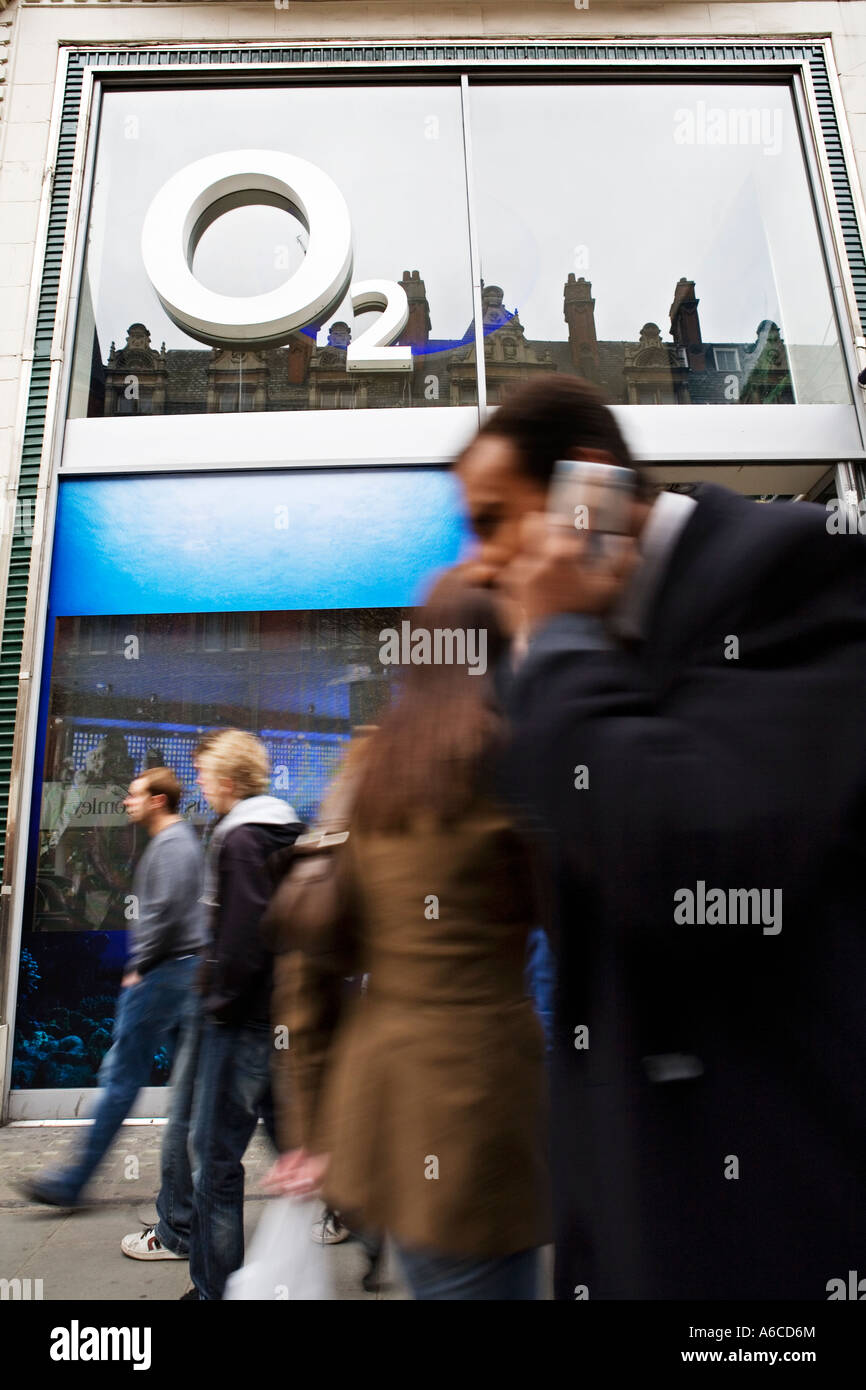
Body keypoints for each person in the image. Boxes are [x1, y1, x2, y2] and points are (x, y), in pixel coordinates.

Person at [457, 372, 866, 1299]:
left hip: (784, 1228)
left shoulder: (795, 569)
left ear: (585, 492)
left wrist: (554, 645)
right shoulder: (580, 656)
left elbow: (706, 865)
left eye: (493, 521)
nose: (481, 562)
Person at [264, 573, 551, 1300]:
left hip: (384, 1106)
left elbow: (309, 964)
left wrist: (306, 1120)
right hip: (480, 1106)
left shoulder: (371, 774)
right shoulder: (515, 767)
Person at [23, 766, 207, 1208]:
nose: (126, 801)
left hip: (162, 975)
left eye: (134, 794)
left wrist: (139, 967)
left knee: (121, 1079)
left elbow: (166, 914)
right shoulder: (181, 842)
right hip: (182, 972)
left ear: (158, 800)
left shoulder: (171, 846)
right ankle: (185, 1201)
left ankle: (73, 1181)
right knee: (189, 1092)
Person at [183, 729, 302, 1300]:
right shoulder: (284, 828)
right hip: (280, 1015)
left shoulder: (240, 838)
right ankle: (371, 1226)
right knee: (292, 1143)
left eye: (205, 775)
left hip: (243, 1021)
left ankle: (213, 1289)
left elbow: (243, 938)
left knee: (215, 1160)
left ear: (228, 781)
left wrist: (218, 1002)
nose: (200, 786)